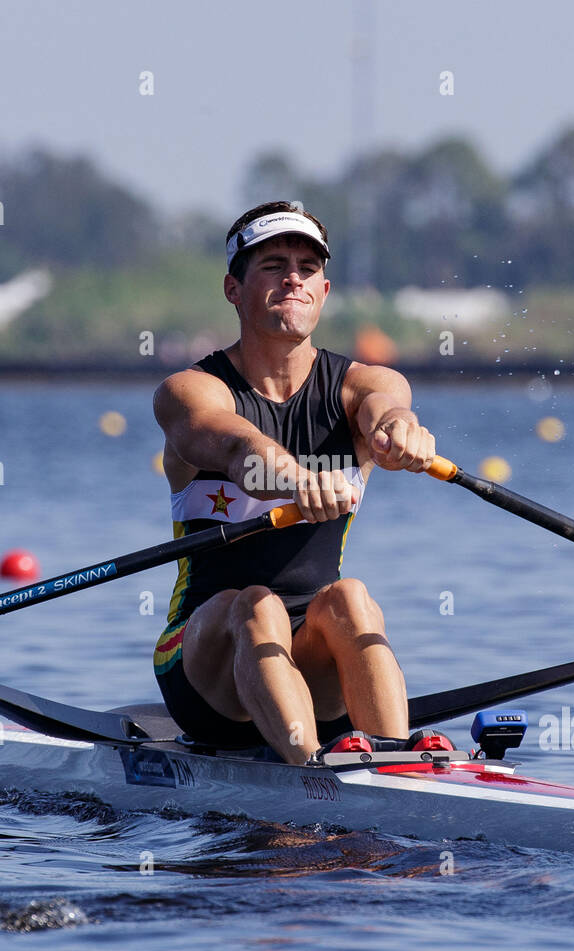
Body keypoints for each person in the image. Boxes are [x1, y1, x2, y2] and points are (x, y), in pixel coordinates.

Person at [152, 201, 439, 765]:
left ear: (324, 291)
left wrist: (403, 433)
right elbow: (234, 445)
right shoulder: (190, 391)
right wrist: (294, 480)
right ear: (233, 289)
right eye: (273, 265)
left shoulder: (363, 383)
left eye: (308, 268)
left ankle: (396, 766)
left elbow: (387, 408)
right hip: (205, 665)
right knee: (256, 605)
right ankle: (311, 773)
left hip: (314, 663)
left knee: (351, 598)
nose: (293, 279)